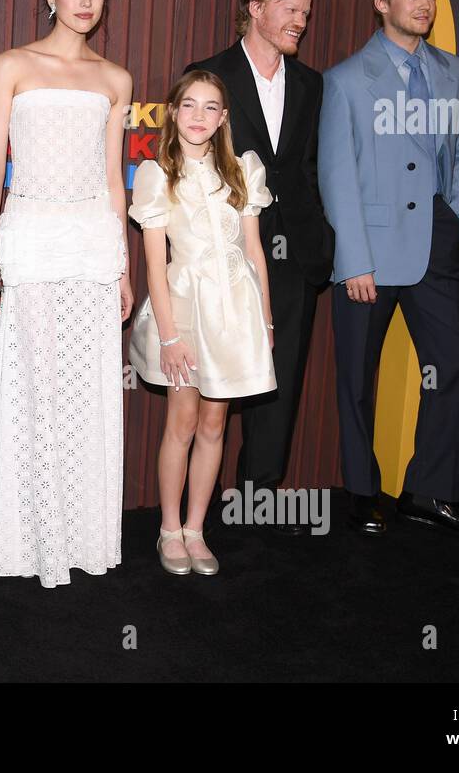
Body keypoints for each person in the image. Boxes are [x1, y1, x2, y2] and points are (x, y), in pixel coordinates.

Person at [318, 0, 459, 540]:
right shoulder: (345, 80)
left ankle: (429, 492)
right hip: (370, 249)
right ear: (382, 2)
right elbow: (337, 177)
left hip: (435, 243)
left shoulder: (453, 72)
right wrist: (354, 261)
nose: (423, 5)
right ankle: (363, 494)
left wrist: (458, 212)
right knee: (357, 378)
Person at [0, 0, 132, 588]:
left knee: (84, 393)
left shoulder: (115, 80)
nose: (85, 2)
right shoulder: (13, 64)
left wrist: (121, 266)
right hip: (30, 235)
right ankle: (26, 539)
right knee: (27, 389)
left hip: (92, 241)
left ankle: (80, 536)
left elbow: (114, 182)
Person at [184, 0, 331, 534]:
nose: (300, 20)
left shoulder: (313, 84)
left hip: (293, 253)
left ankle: (258, 500)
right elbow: (187, 162)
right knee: (213, 384)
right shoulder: (209, 75)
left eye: (305, 12)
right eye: (291, 9)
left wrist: (320, 240)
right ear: (255, 8)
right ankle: (196, 512)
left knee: (280, 376)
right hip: (222, 252)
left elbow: (313, 168)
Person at [129, 70, 276, 575]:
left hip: (235, 313)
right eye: (188, 105)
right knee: (183, 422)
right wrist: (169, 336)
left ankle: (196, 529)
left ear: (223, 118)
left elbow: (254, 252)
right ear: (173, 112)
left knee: (216, 424)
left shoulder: (242, 171)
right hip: (185, 309)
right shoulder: (157, 175)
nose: (198, 117)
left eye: (210, 107)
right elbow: (153, 264)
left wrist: (267, 322)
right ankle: (169, 530)